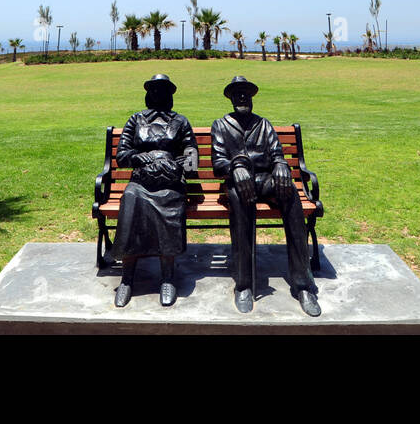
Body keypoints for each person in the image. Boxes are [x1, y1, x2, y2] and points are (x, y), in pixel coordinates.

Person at [211, 75, 320, 316]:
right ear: (230, 98)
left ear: (252, 97)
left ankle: (303, 285)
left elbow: (276, 153)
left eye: (246, 93)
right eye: (237, 93)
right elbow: (217, 163)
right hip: (238, 183)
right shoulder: (220, 125)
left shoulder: (263, 125)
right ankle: (244, 285)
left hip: (265, 179)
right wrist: (235, 166)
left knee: (290, 193)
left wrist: (281, 165)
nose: (242, 97)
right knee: (240, 202)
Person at [112, 73, 199, 307]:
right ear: (148, 94)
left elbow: (191, 150)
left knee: (170, 206)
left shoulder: (180, 121)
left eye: (163, 90)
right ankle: (127, 277)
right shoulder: (136, 120)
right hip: (141, 183)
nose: (158, 94)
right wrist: (143, 157)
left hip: (169, 183)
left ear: (170, 95)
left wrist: (182, 164)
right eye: (154, 90)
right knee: (130, 199)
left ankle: (168, 277)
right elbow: (122, 155)